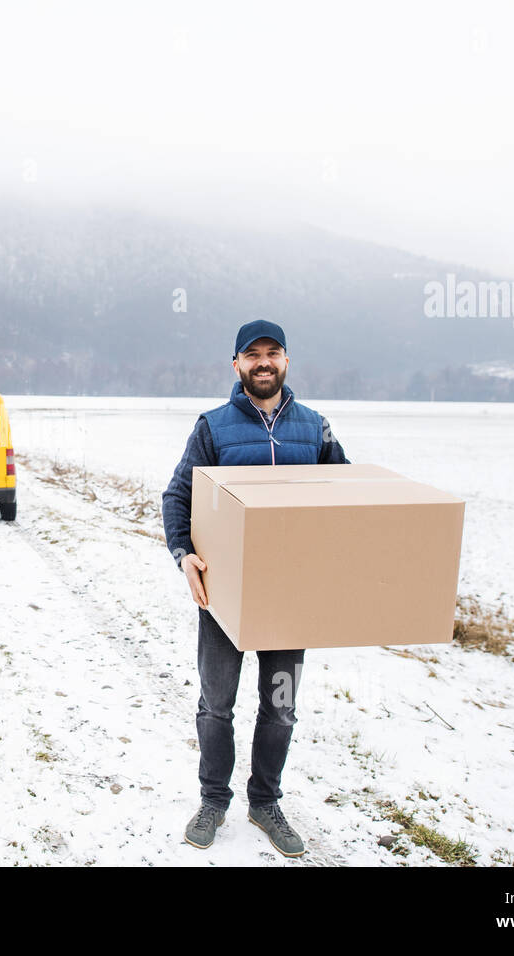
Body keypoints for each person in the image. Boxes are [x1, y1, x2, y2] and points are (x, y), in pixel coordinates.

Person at [161, 319, 349, 855]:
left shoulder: (316, 429)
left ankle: (265, 802)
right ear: (237, 364)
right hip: (224, 598)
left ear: (286, 361)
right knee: (216, 704)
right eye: (252, 354)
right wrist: (185, 556)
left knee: (280, 705)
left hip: (290, 600)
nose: (263, 362)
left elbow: (349, 497)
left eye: (273, 353)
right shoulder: (213, 427)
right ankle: (213, 800)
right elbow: (178, 497)